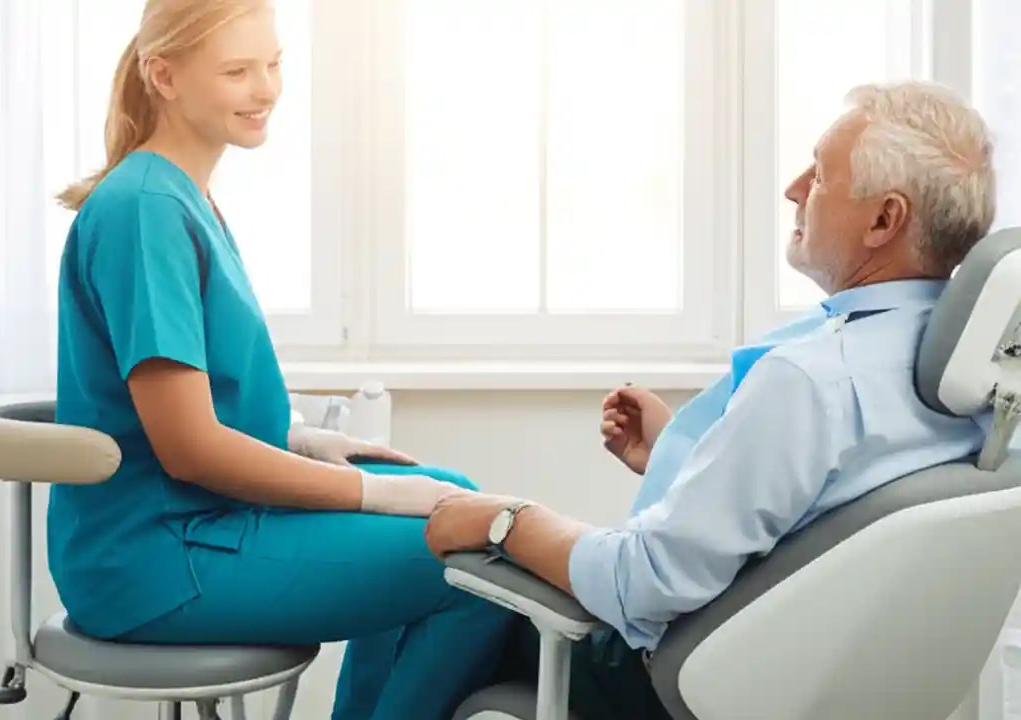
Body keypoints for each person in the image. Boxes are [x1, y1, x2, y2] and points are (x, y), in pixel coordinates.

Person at [425, 80, 998, 719]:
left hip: (666, 685)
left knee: (436, 589)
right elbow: (824, 506)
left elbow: (644, 583)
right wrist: (683, 450)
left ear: (884, 220)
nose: (794, 188)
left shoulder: (815, 381)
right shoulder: (967, 381)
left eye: (821, 175)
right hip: (816, 678)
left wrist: (505, 519)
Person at [48, 2, 513, 718]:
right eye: (237, 71)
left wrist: (300, 440)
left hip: (198, 525)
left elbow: (189, 398)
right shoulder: (144, 209)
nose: (265, 89)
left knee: (452, 493)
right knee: (477, 567)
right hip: (157, 557)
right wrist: (375, 494)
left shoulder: (184, 197)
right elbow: (188, 448)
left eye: (273, 64)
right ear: (163, 76)